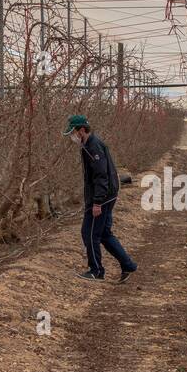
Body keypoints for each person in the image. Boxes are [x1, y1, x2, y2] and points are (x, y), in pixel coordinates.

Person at [63, 115, 138, 282]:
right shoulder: (89, 145)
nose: (72, 136)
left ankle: (96, 270)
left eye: (73, 132)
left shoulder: (93, 147)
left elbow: (101, 176)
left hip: (102, 198)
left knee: (89, 233)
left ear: (82, 130)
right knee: (104, 234)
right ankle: (128, 265)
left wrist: (97, 202)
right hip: (106, 195)